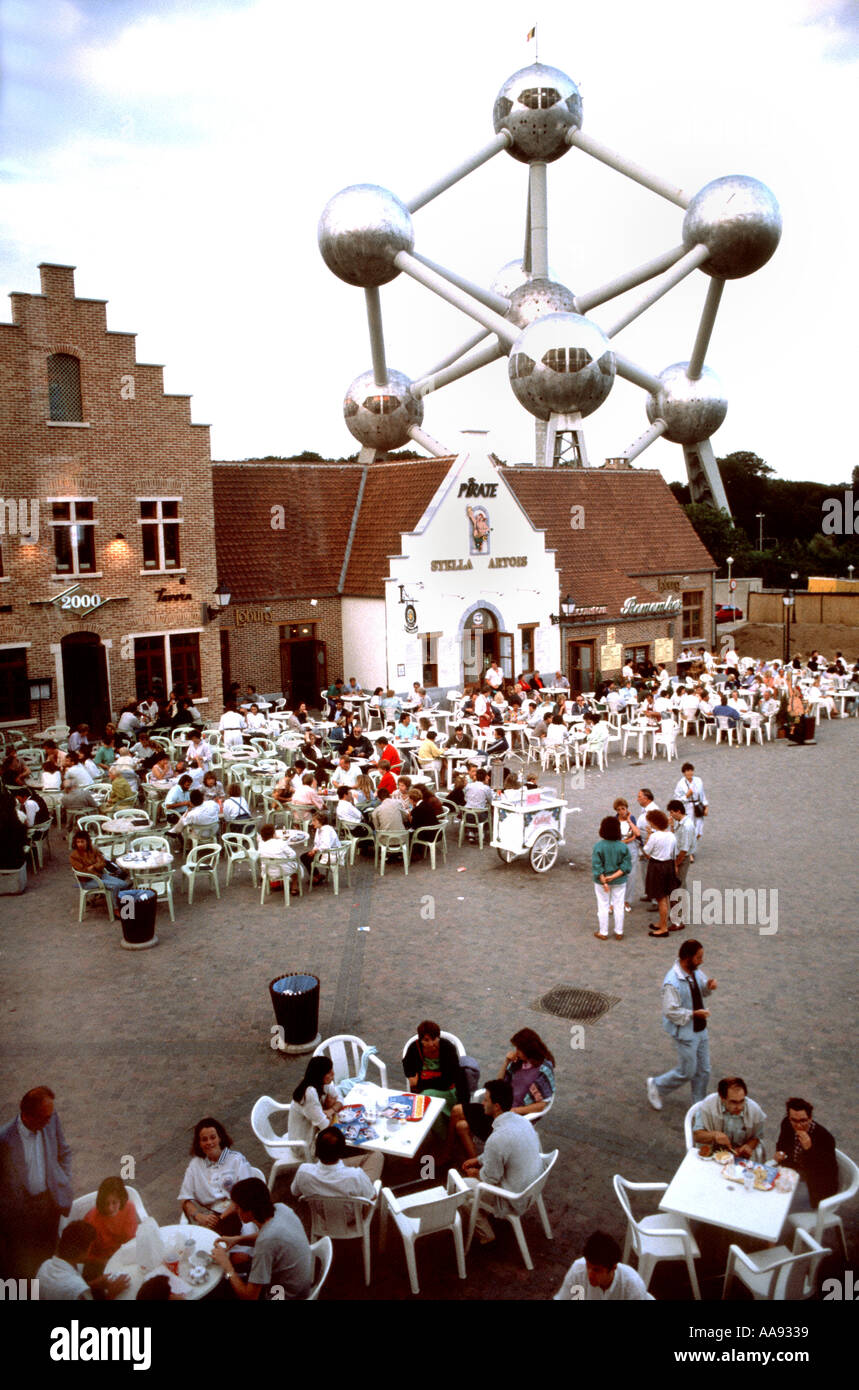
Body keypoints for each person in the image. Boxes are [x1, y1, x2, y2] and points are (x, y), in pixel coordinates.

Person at [0, 1086, 73, 1279]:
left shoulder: (51, 1121)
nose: (50, 1120)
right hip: (20, 1214)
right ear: (27, 1116)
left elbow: (64, 1152)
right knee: (23, 1263)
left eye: (50, 1115)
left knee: (48, 1255)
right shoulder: (4, 1139)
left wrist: (63, 1179)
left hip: (50, 1205)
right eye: (45, 1117)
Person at [450, 1029, 555, 1160]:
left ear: (528, 1049)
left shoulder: (543, 1069)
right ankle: (465, 1159)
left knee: (460, 1121)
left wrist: (515, 1110)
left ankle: (453, 1154)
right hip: (497, 1108)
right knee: (459, 1119)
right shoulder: (518, 1064)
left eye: (518, 1049)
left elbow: (541, 1105)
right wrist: (506, 1063)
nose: (516, 1052)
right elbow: (498, 1084)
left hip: (510, 1118)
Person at [461, 1080, 543, 1243]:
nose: (483, 1103)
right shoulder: (523, 1121)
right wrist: (478, 1159)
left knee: (460, 1187)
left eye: (486, 1099)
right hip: (531, 1188)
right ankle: (482, 1212)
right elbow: (502, 1152)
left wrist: (475, 1173)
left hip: (513, 1198)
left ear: (496, 1106)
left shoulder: (496, 1138)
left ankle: (485, 1235)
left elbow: (489, 1179)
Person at [209, 1177, 312, 1300]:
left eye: (238, 1207)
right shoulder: (281, 1209)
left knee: (219, 1290)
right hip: (299, 1282)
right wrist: (238, 1239)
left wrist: (227, 1267)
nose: (236, 1211)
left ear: (250, 1212)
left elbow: (250, 1297)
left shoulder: (266, 1243)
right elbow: (272, 1239)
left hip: (284, 1295)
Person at [647, 939, 717, 1110]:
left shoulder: (695, 972)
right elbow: (670, 1011)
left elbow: (702, 990)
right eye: (698, 957)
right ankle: (657, 1085)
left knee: (704, 1069)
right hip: (686, 1032)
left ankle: (698, 1104)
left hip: (700, 1028)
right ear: (687, 958)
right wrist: (693, 1014)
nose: (701, 961)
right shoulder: (673, 982)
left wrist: (708, 987)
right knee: (687, 1071)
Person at [178, 1117, 255, 1232]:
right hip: (210, 1216)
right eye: (204, 1139)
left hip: (239, 1211)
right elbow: (185, 1199)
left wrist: (221, 1218)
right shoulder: (195, 1165)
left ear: (220, 1138)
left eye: (213, 1137)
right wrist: (199, 1216)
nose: (209, 1142)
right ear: (199, 1143)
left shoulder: (236, 1159)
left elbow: (246, 1194)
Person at [36, 1221, 129, 1300]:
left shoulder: (45, 1265)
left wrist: (92, 1284)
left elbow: (58, 1290)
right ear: (85, 1251)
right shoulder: (77, 1288)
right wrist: (111, 1295)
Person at [774, 1098, 839, 1210]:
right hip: (793, 1172)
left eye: (803, 1120)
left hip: (815, 1184)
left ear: (810, 1118)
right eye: (794, 1120)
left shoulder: (825, 1138)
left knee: (784, 1204)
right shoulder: (787, 1124)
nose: (798, 1125)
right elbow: (781, 1144)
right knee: (771, 1192)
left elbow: (826, 1170)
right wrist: (780, 1153)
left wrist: (810, 1149)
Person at [554, 1230, 653, 1301]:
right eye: (588, 1266)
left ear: (613, 1267)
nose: (590, 1275)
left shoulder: (632, 1286)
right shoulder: (577, 1270)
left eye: (596, 1270)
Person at [291, 1125, 383, 1200]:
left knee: (371, 1158)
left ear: (317, 1150)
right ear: (342, 1152)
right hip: (355, 1218)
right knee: (377, 1155)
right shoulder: (356, 1175)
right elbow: (372, 1196)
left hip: (321, 1216)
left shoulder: (303, 1171)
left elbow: (295, 1192)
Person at [403, 1020, 469, 1121]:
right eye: (426, 1040)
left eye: (434, 1039)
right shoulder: (414, 1048)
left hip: (448, 1091)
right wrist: (411, 1076)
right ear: (421, 1040)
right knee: (425, 1101)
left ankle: (445, 1134)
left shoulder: (448, 1048)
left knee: (426, 1099)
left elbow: (446, 1081)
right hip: (426, 1088)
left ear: (438, 1037)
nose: (431, 1043)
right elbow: (406, 1063)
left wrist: (419, 1083)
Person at [692, 1077, 766, 1160]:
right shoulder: (708, 1105)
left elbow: (756, 1137)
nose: (739, 1107)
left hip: (738, 1157)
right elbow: (697, 1136)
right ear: (722, 1098)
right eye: (733, 1102)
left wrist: (748, 1146)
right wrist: (714, 1135)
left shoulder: (755, 1111)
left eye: (742, 1101)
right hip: (711, 1155)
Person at [82, 1176, 139, 1272]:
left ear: (121, 1199)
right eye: (106, 1203)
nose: (110, 1208)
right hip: (101, 1262)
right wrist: (106, 1262)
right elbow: (84, 1254)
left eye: (114, 1202)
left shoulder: (129, 1208)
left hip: (125, 1256)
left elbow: (131, 1239)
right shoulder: (91, 1219)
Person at [287, 1055, 344, 1151]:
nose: (333, 1074)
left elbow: (340, 1099)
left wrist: (331, 1110)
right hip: (305, 1145)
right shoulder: (309, 1093)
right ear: (320, 1075)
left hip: (316, 1132)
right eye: (329, 1073)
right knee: (343, 1140)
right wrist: (329, 1107)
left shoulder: (322, 1084)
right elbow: (326, 1127)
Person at [591, 815, 631, 940]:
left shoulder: (598, 846)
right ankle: (619, 931)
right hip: (619, 880)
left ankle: (603, 932)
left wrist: (604, 879)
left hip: (601, 881)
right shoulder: (623, 847)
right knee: (619, 906)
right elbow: (626, 866)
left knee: (603, 905)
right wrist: (613, 876)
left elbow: (597, 865)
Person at [641, 808, 677, 938]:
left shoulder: (655, 836)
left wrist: (649, 835)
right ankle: (662, 922)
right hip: (668, 865)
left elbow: (646, 850)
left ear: (654, 822)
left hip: (657, 867)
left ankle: (663, 928)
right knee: (665, 896)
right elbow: (674, 852)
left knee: (661, 898)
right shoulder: (671, 836)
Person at [69, 830, 131, 904]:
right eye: (78, 842)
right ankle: (115, 908)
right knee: (116, 886)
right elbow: (83, 871)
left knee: (124, 884)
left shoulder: (93, 849)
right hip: (87, 881)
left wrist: (93, 866)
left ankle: (116, 901)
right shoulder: (74, 856)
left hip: (100, 875)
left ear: (87, 842)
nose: (80, 844)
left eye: (82, 841)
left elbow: (102, 862)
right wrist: (96, 867)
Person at [667, 800, 695, 928]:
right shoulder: (680, 822)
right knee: (677, 886)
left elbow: (684, 848)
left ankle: (678, 920)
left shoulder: (687, 826)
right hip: (678, 857)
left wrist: (676, 864)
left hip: (681, 858)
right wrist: (672, 826)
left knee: (679, 887)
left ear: (678, 811)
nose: (671, 815)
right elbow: (676, 838)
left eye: (672, 812)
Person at [613, 798, 641, 911]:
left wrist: (629, 820)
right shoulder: (614, 820)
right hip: (618, 848)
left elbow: (636, 834)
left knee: (631, 874)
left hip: (630, 847)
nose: (621, 812)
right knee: (616, 873)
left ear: (627, 808)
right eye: (618, 809)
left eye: (623, 809)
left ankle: (626, 901)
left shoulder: (632, 818)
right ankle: (615, 901)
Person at [257, 824, 302, 894]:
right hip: (283, 870)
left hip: (267, 871)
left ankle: (276, 884)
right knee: (296, 865)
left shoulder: (261, 844)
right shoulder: (280, 843)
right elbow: (293, 855)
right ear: (273, 834)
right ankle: (294, 886)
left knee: (276, 861)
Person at [300, 810, 341, 886]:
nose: (312, 823)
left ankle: (316, 877)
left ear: (320, 821)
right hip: (325, 851)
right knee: (305, 856)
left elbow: (326, 845)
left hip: (331, 854)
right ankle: (317, 876)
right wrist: (313, 850)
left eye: (314, 821)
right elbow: (317, 844)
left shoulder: (326, 830)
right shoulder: (319, 829)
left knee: (304, 857)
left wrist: (315, 851)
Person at [673, 763, 708, 849]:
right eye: (687, 771)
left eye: (691, 770)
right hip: (687, 807)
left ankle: (691, 845)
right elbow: (677, 799)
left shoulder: (698, 780)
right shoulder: (681, 784)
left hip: (698, 806)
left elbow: (702, 794)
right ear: (684, 773)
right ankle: (688, 850)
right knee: (689, 828)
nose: (689, 773)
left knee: (699, 830)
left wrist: (706, 806)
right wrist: (686, 796)